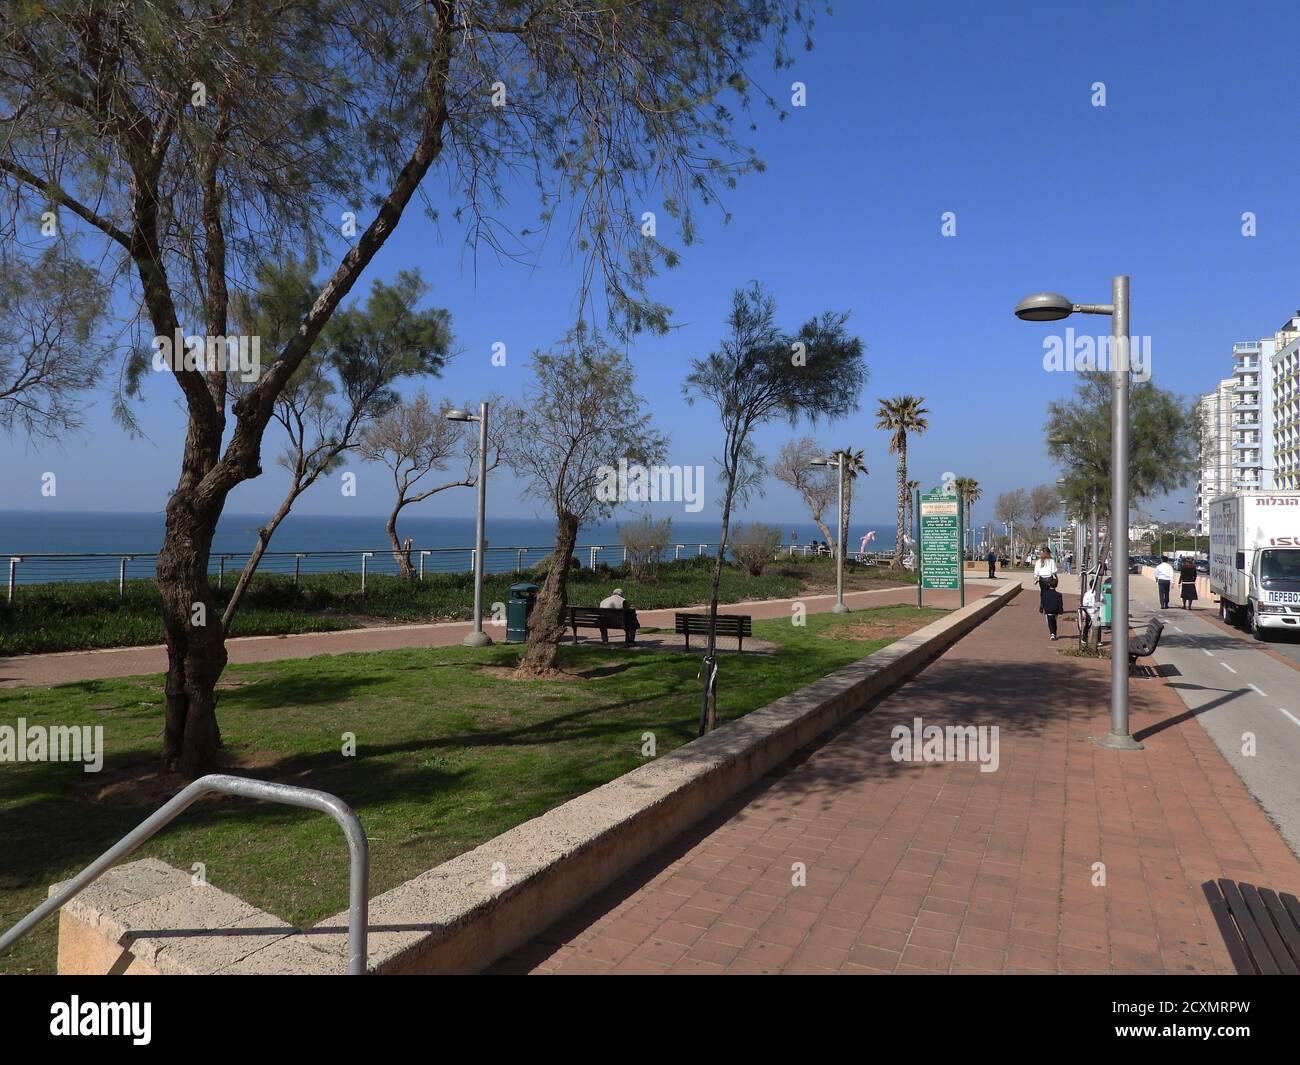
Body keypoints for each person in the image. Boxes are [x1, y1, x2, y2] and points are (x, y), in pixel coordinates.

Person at [1034, 547, 1060, 639]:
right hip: (1049, 578)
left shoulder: (1039, 562)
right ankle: (1049, 605)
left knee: (1043, 593)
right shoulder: (1051, 561)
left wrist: (1035, 578)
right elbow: (1054, 571)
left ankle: (1043, 606)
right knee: (1050, 593)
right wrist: (1056, 578)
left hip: (1042, 579)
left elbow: (1036, 572)